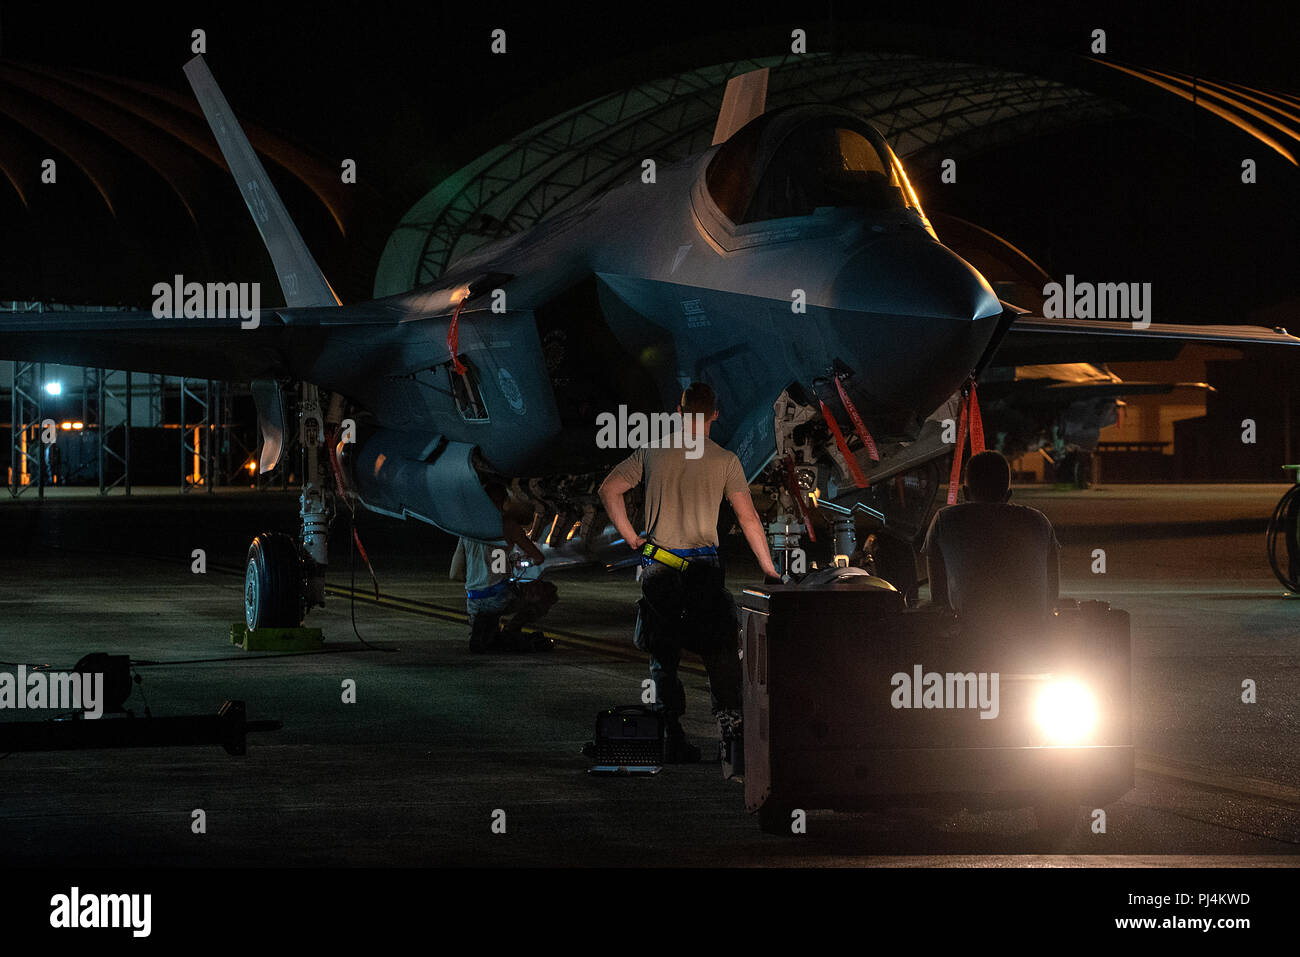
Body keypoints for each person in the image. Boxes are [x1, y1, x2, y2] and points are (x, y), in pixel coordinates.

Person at [598, 383, 780, 771]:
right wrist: (769, 569)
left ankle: (671, 737)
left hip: (659, 568)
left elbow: (609, 489)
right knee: (721, 653)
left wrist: (633, 538)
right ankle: (731, 738)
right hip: (703, 572)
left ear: (679, 414)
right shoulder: (726, 460)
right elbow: (749, 519)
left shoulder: (652, 451)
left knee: (664, 658)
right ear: (715, 414)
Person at [923, 450, 1060, 639]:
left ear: (965, 492)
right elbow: (1052, 595)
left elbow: (938, 599)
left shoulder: (944, 520)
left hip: (968, 636)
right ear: (1009, 494)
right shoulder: (1039, 521)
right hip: (1031, 636)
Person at [450, 481, 557, 653]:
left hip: (473, 603)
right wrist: (522, 561)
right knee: (548, 592)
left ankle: (485, 627)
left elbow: (454, 573)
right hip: (497, 599)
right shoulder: (508, 525)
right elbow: (537, 557)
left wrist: (481, 575)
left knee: (495, 592)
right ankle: (512, 629)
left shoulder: (466, 527)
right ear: (505, 501)